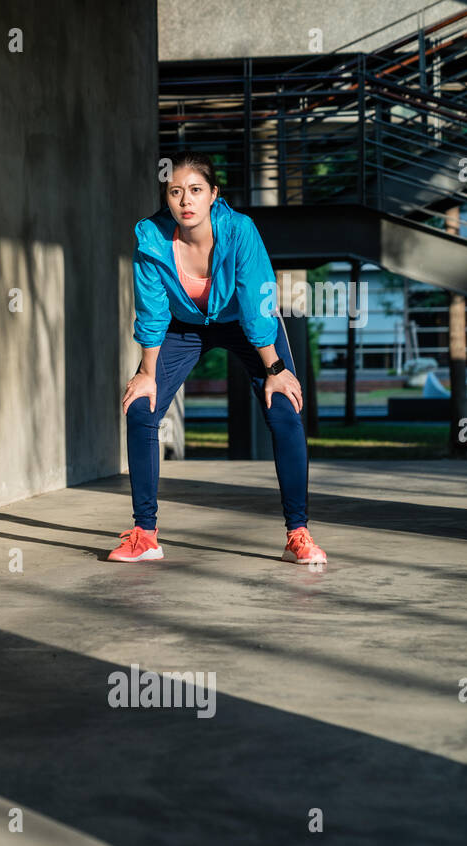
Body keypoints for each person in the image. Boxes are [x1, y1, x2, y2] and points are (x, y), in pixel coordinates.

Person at [109, 151, 327, 565]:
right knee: (141, 406)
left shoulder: (239, 230)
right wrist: (147, 373)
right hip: (184, 325)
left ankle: (297, 533)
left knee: (284, 408)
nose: (185, 201)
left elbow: (254, 300)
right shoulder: (152, 239)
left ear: (213, 194)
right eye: (175, 192)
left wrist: (275, 369)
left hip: (248, 323)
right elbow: (152, 309)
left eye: (195, 190)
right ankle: (145, 534)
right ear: (167, 198)